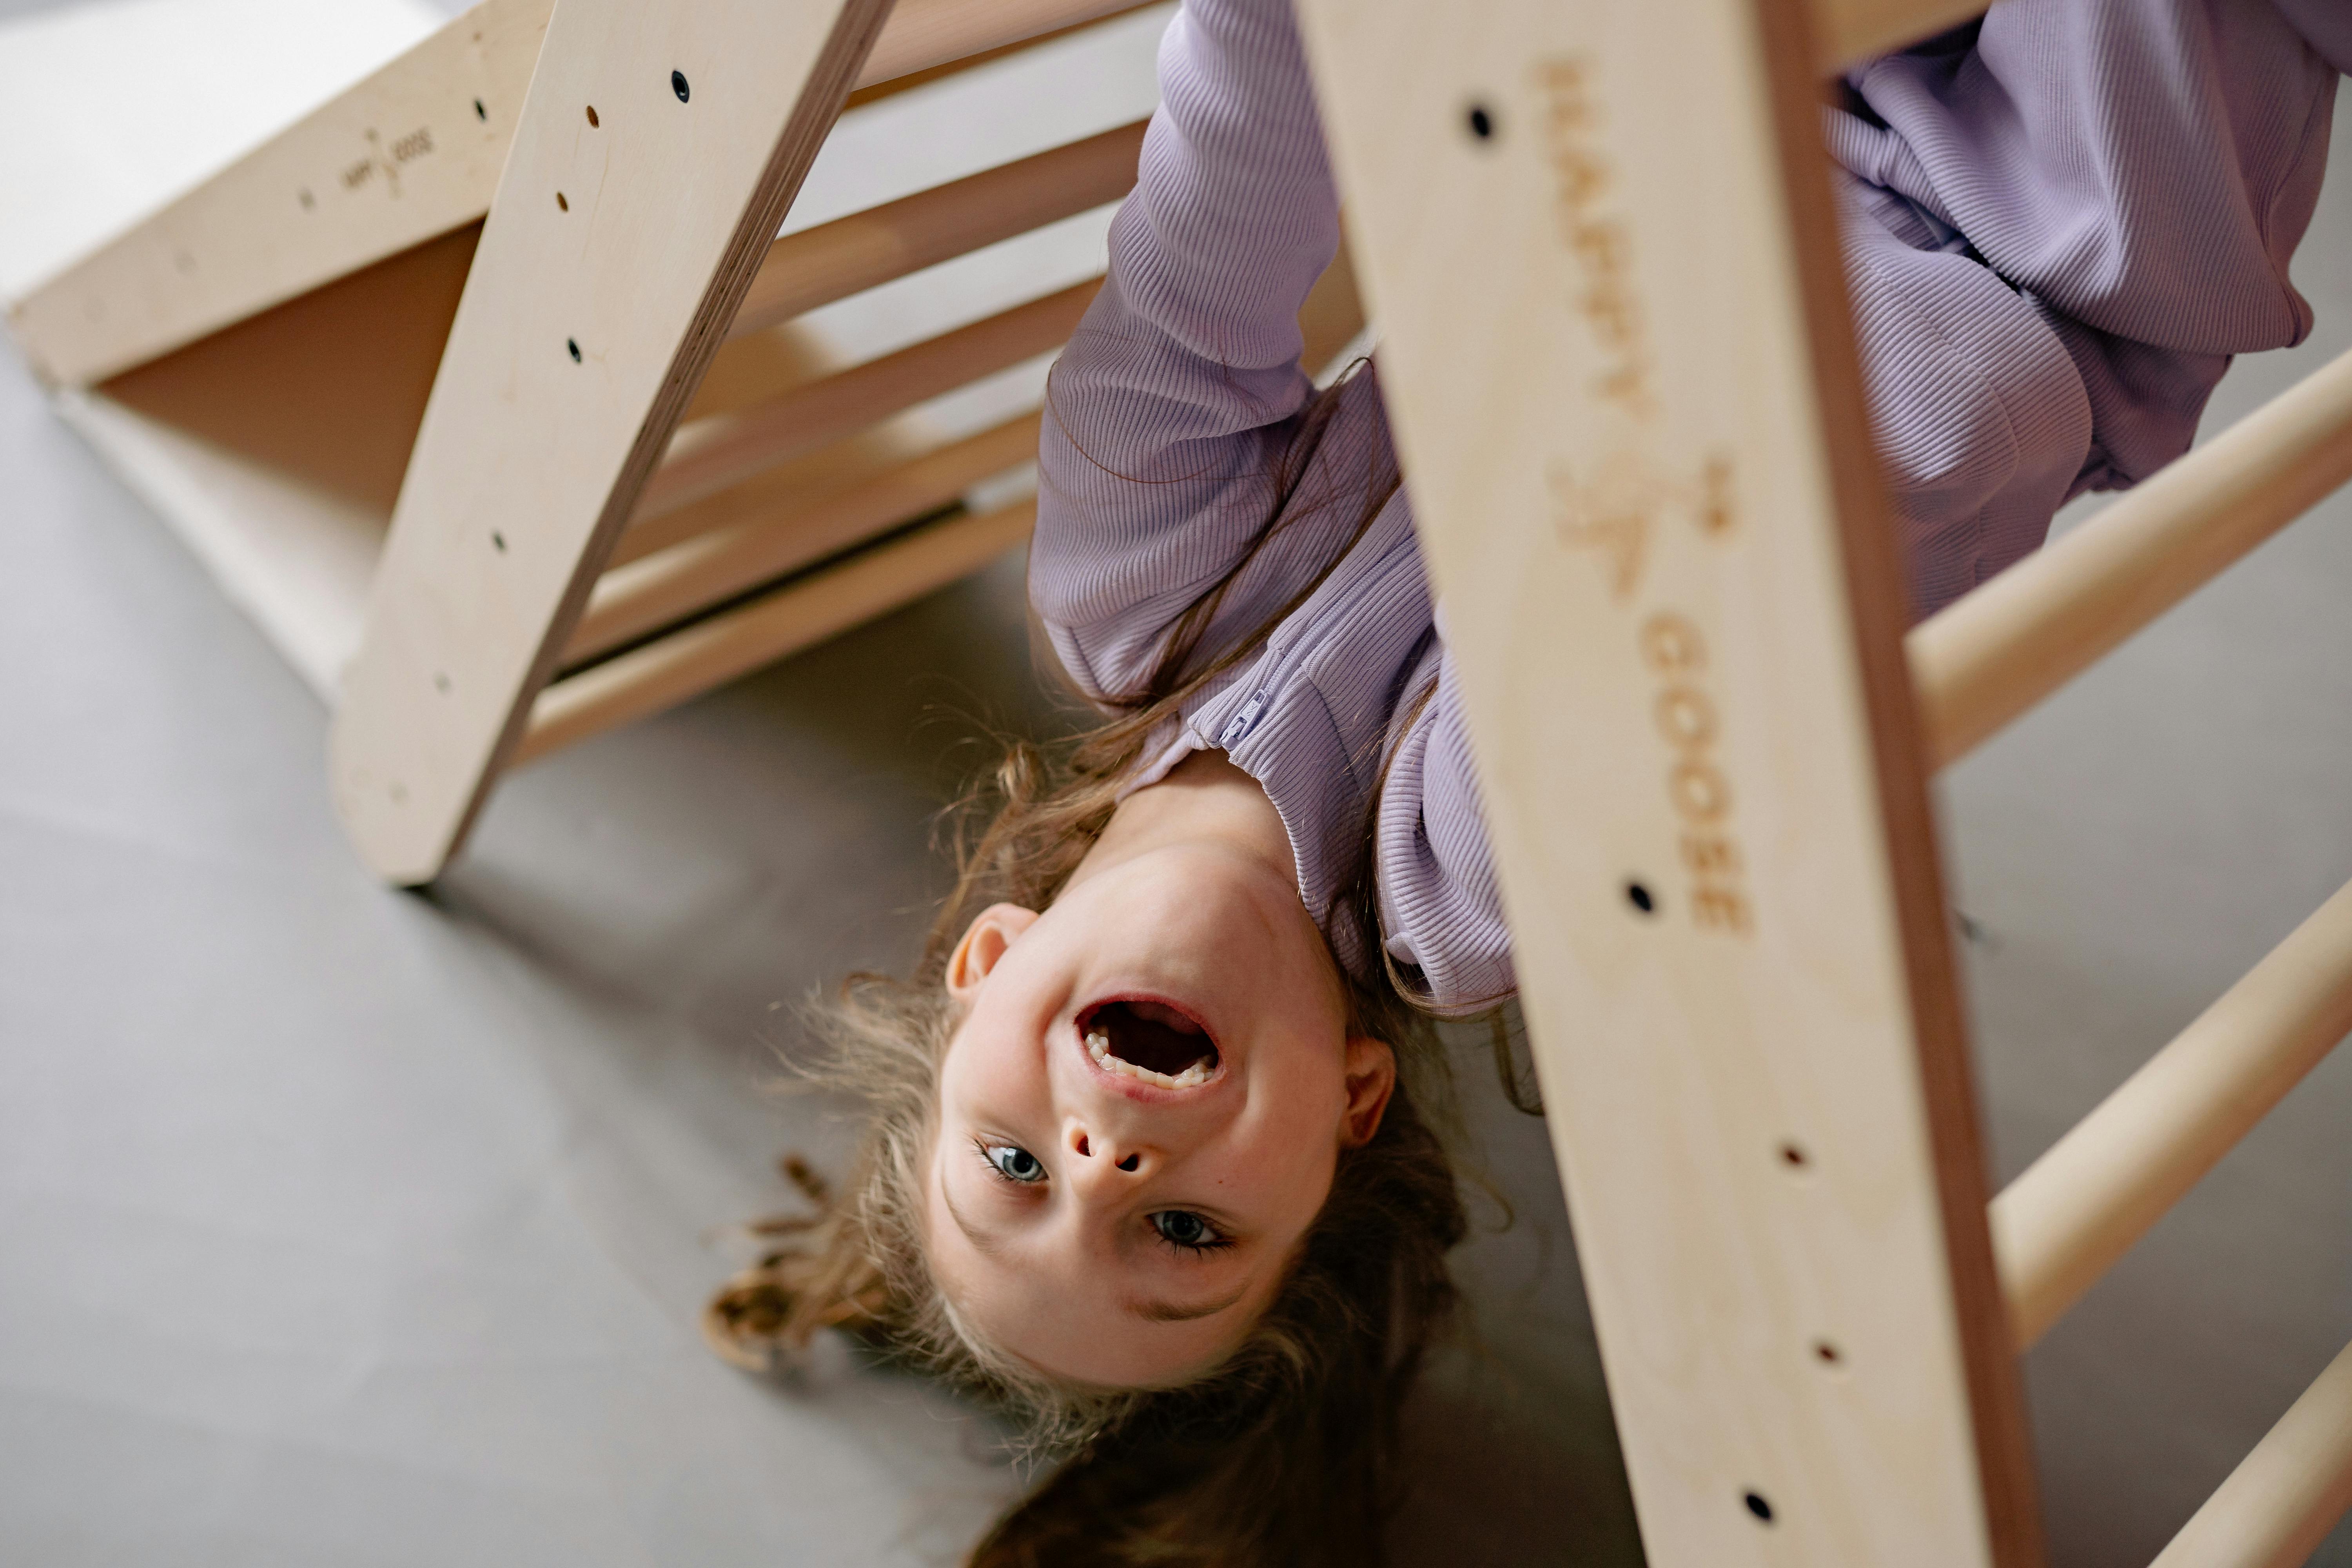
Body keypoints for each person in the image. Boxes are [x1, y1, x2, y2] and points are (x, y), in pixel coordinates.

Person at [706, 0, 2343, 1559]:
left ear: (985, 965)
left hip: (1705, 124)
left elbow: (1236, 142)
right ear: (1351, 1108)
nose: (1104, 1169)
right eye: (1187, 1240)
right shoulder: (1486, 878)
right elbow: (1891, 434)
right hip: (2052, 210)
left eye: (1010, 1168)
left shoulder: (1139, 584)